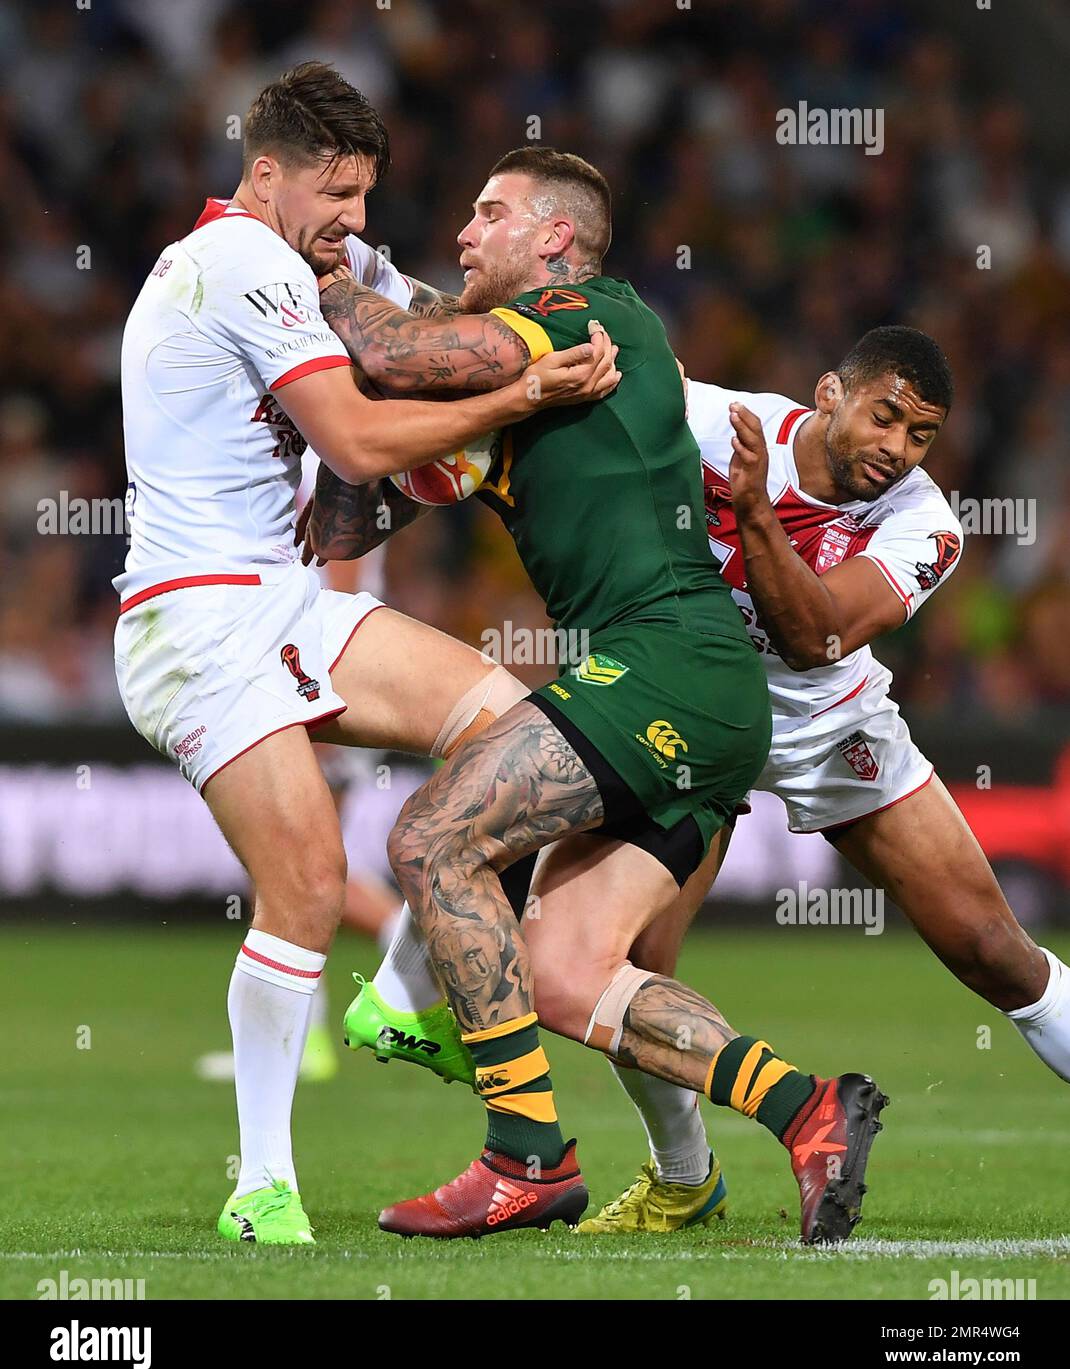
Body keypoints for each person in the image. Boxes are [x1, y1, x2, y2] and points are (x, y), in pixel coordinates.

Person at [354, 328, 1070, 1237]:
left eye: (920, 435)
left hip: (831, 731)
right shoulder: (709, 423)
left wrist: (755, 515)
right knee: (622, 969)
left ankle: (426, 1006)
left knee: (993, 954)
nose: (896, 448)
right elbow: (584, 385)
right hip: (694, 716)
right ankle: (684, 1178)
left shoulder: (926, 525)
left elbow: (817, 639)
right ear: (828, 393)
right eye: (884, 415)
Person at [306, 147, 890, 1244]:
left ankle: (524, 1159)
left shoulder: (591, 313)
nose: (466, 232)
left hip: (665, 660)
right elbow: (364, 486)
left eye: (490, 213)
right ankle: (806, 1110)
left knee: (434, 838)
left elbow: (397, 341)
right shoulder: (522, 382)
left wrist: (318, 270)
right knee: (567, 976)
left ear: (555, 241)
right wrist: (363, 385)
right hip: (699, 691)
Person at [114, 62, 619, 1246]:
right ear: (267, 171)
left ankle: (398, 996)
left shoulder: (313, 258)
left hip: (279, 598)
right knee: (300, 879)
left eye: (365, 195)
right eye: (335, 193)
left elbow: (433, 328)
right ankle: (262, 1185)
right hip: (192, 620)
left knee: (519, 736)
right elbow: (350, 440)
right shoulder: (237, 261)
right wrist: (521, 395)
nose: (353, 218)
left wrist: (536, 327)